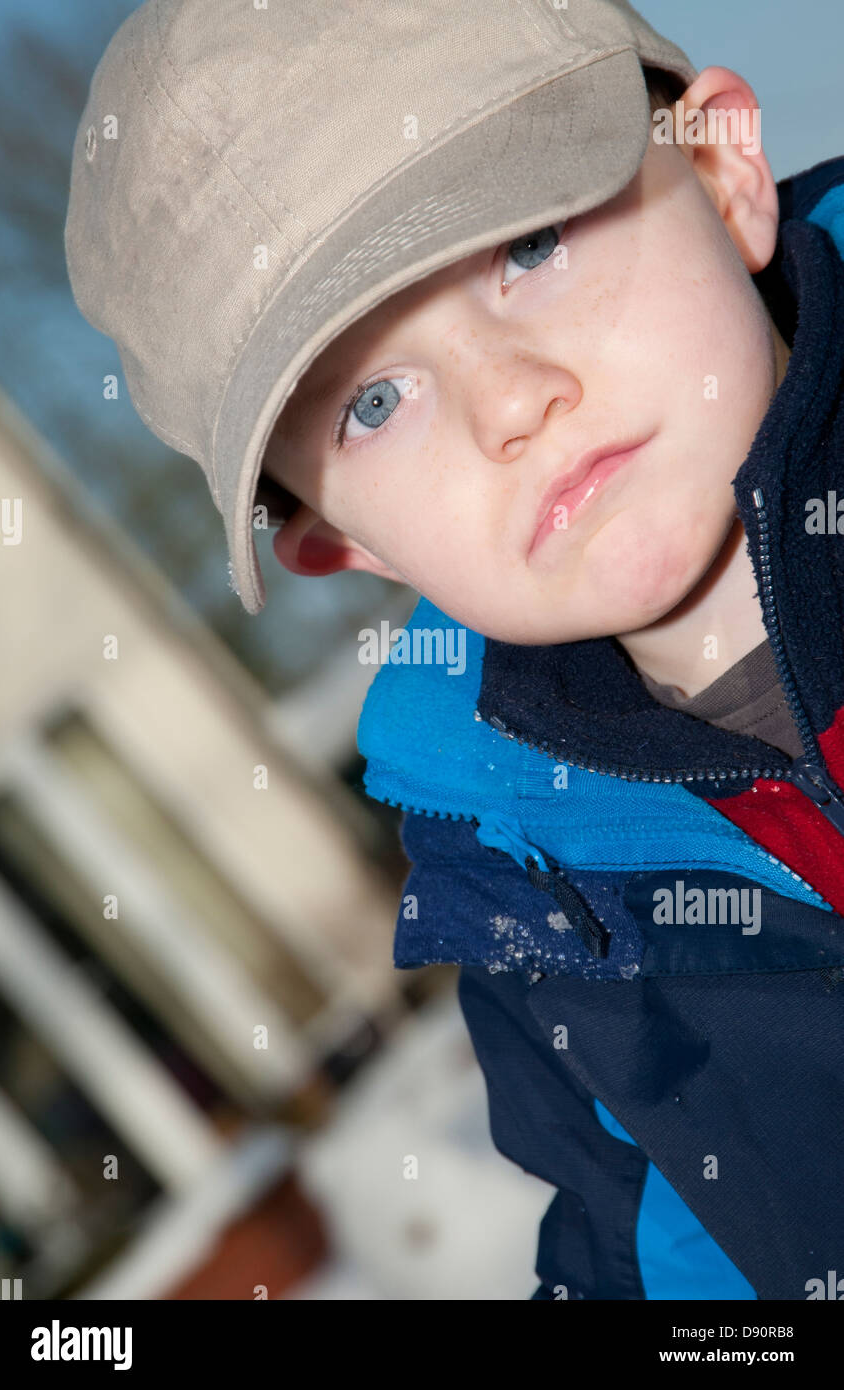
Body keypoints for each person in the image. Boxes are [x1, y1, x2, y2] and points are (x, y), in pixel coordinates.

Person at [65, 0, 844, 1298]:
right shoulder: (530, 893)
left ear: (721, 170)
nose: (509, 401)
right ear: (343, 544)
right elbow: (657, 1260)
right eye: (374, 402)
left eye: (529, 240)